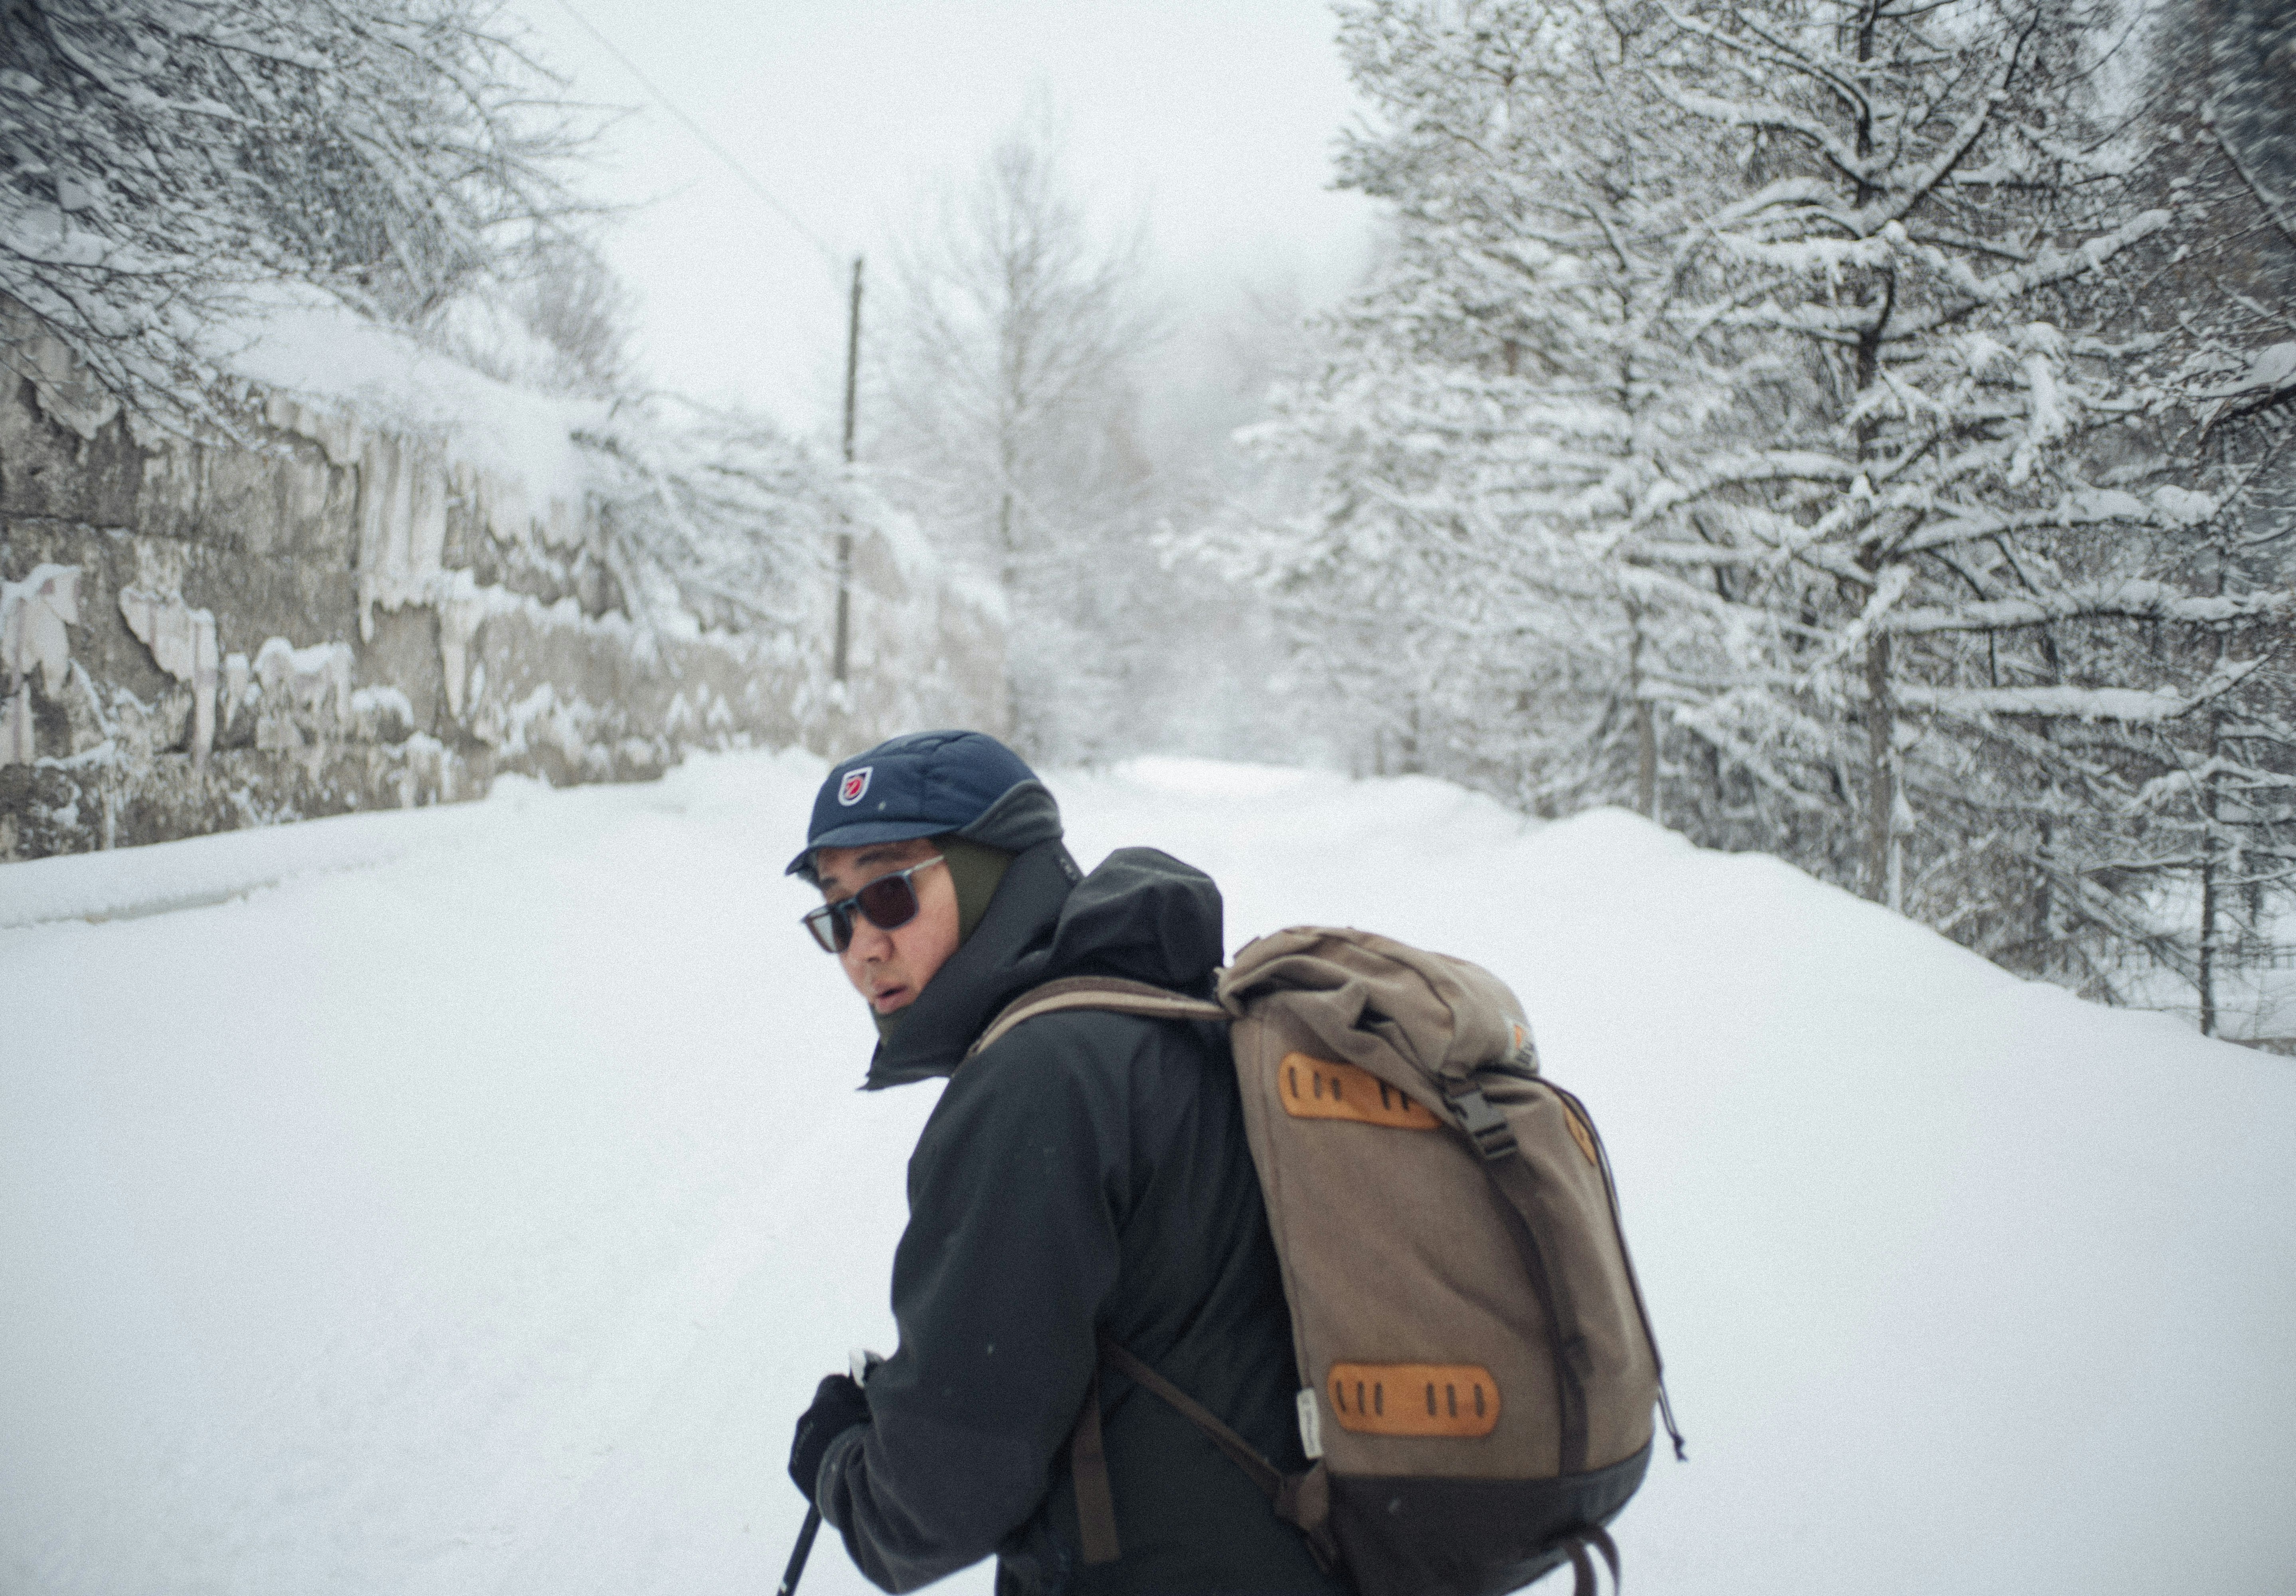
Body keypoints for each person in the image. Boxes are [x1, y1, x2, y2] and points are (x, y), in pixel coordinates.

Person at [783, 729, 1345, 1596]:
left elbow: (936, 1499)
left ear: (996, 874)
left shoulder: (1036, 1079)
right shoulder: (1158, 1011)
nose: (862, 945)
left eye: (890, 893)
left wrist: (838, 1461)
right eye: (838, 912)